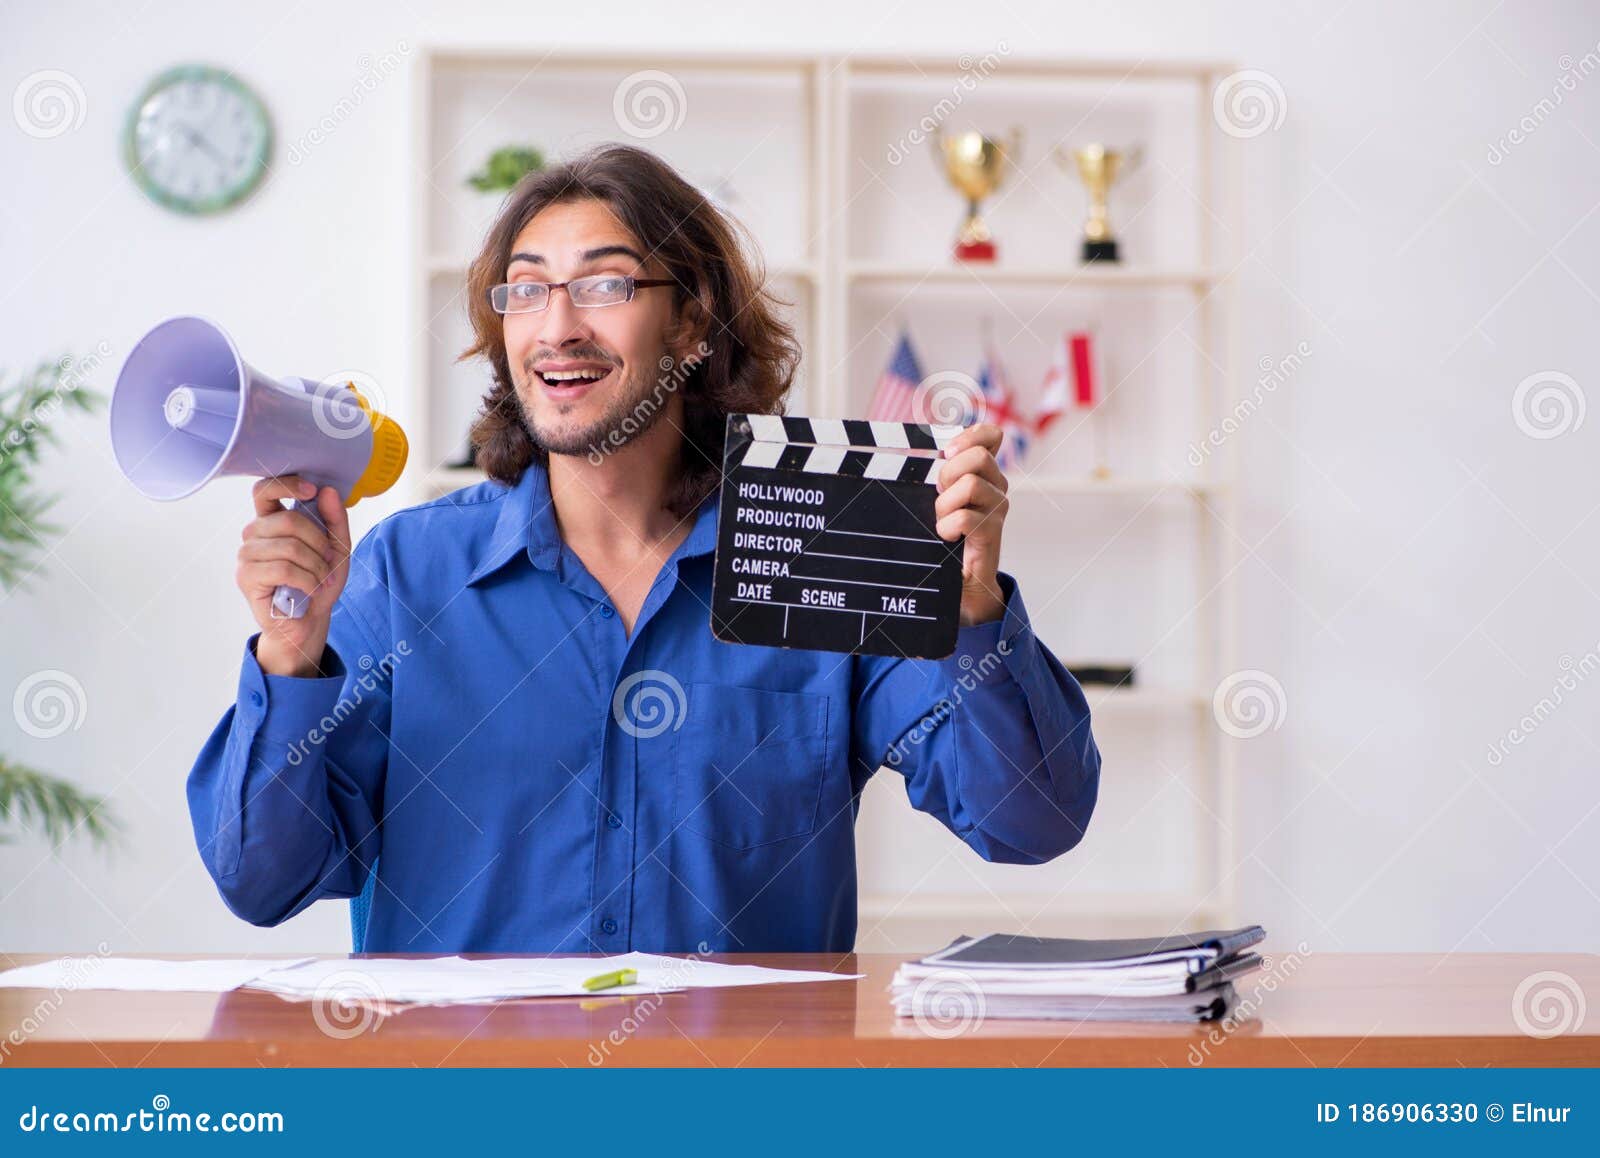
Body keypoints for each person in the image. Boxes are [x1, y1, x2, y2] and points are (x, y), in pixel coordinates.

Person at [187, 143, 1101, 953]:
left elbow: (1033, 821)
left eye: (605, 284)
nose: (557, 326)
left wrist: (973, 602)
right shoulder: (403, 574)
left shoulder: (823, 544)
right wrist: (290, 659)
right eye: (528, 289)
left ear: (693, 323)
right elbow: (262, 884)